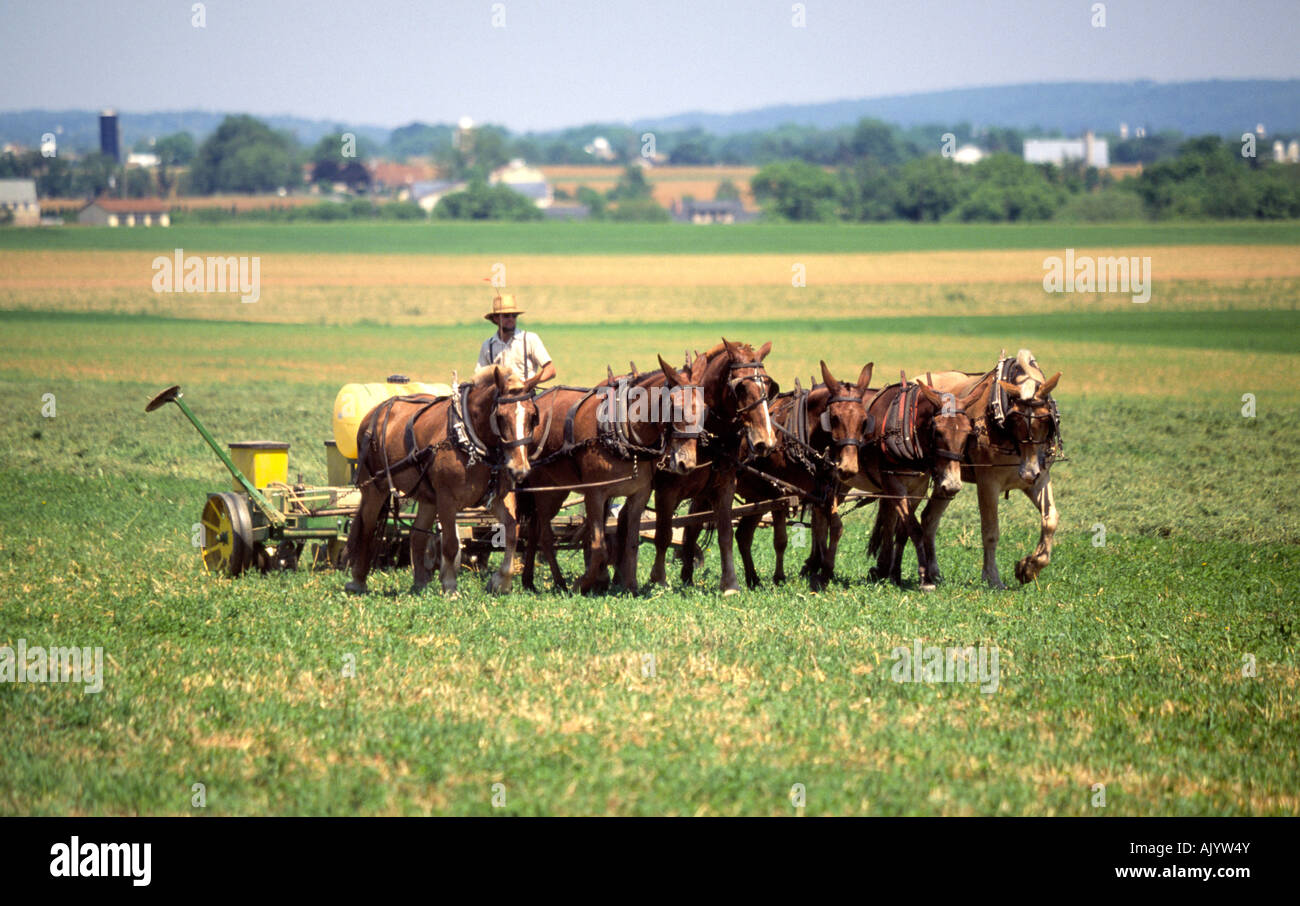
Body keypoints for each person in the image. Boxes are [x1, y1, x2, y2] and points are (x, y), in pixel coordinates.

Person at [476, 293, 556, 384]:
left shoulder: (530, 339)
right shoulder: (487, 346)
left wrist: (528, 383)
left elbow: (550, 370)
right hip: (500, 396)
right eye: (506, 316)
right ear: (495, 319)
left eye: (514, 316)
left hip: (527, 394)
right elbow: (480, 377)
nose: (511, 319)